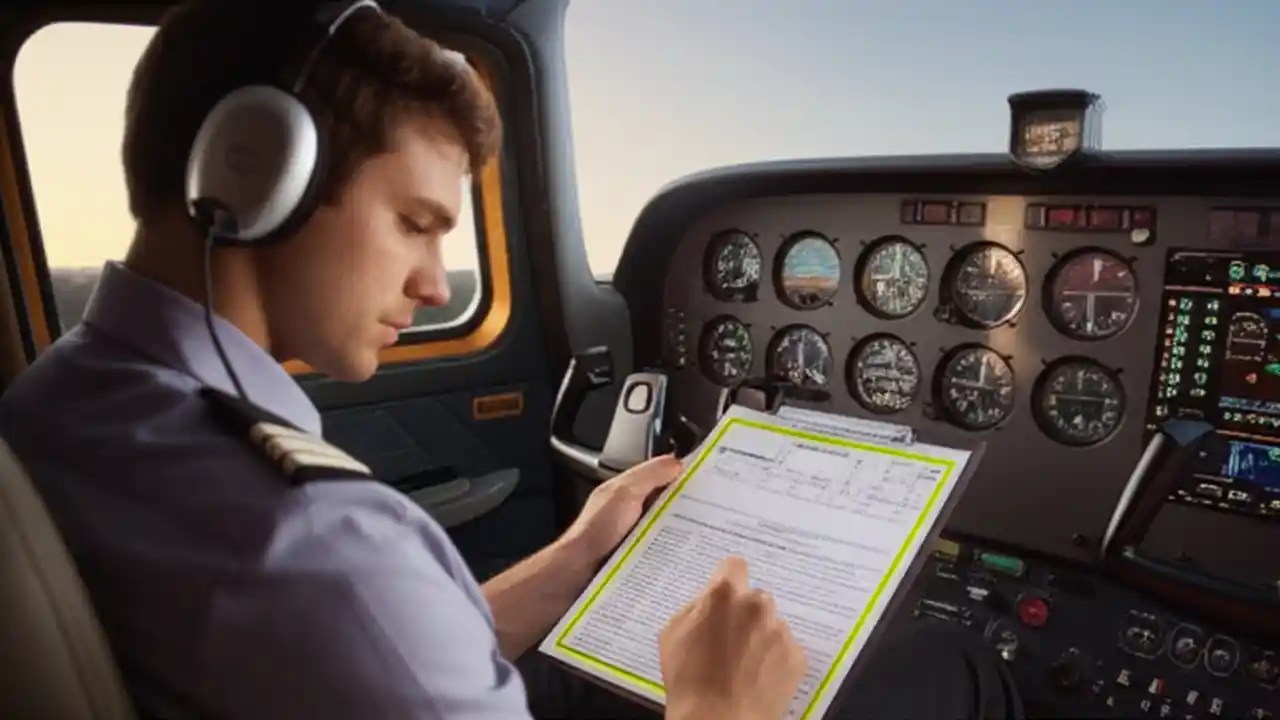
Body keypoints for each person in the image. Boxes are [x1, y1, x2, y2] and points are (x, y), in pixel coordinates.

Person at [0, 1, 1021, 719]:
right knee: (950, 665)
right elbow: (361, 615)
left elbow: (391, 645)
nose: (436, 285)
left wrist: (583, 551)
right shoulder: (306, 543)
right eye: (413, 222)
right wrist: (717, 706)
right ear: (254, 173)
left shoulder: (64, 402)